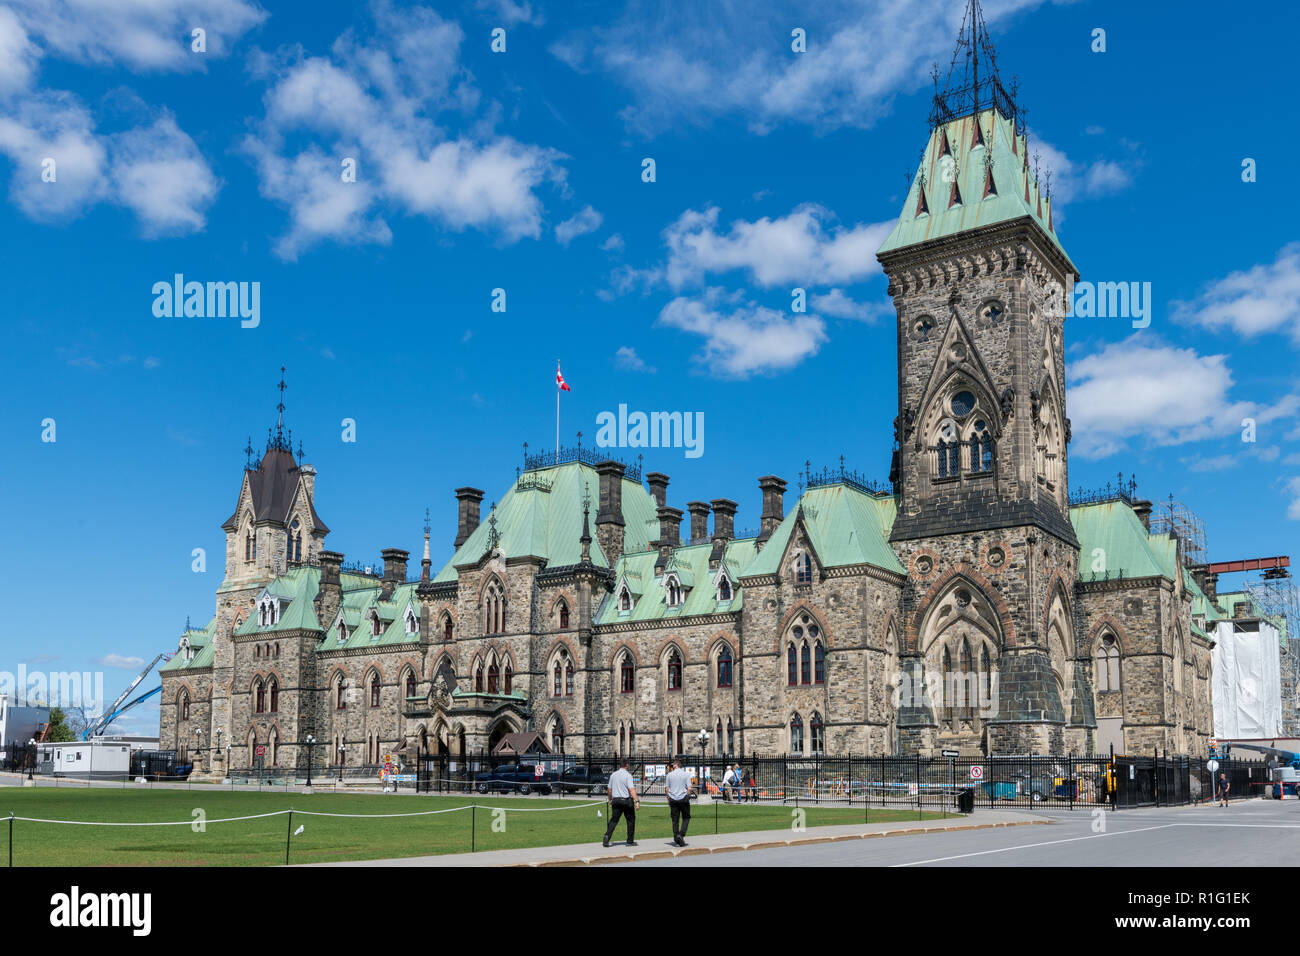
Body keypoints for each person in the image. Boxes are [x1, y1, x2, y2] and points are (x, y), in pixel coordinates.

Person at [602, 758, 640, 847]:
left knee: (614, 820)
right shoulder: (628, 775)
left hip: (616, 800)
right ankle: (630, 841)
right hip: (626, 800)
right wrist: (637, 801)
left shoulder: (613, 775)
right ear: (627, 765)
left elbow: (609, 789)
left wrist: (610, 799)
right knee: (630, 820)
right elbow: (631, 789)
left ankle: (607, 835)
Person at [665, 757, 695, 847]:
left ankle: (676, 837)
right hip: (683, 798)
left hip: (673, 798)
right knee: (686, 817)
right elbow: (689, 788)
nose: (672, 766)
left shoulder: (669, 775)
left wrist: (668, 799)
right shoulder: (686, 774)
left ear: (676, 765)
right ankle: (681, 835)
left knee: (675, 820)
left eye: (673, 765)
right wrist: (688, 796)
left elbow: (667, 789)